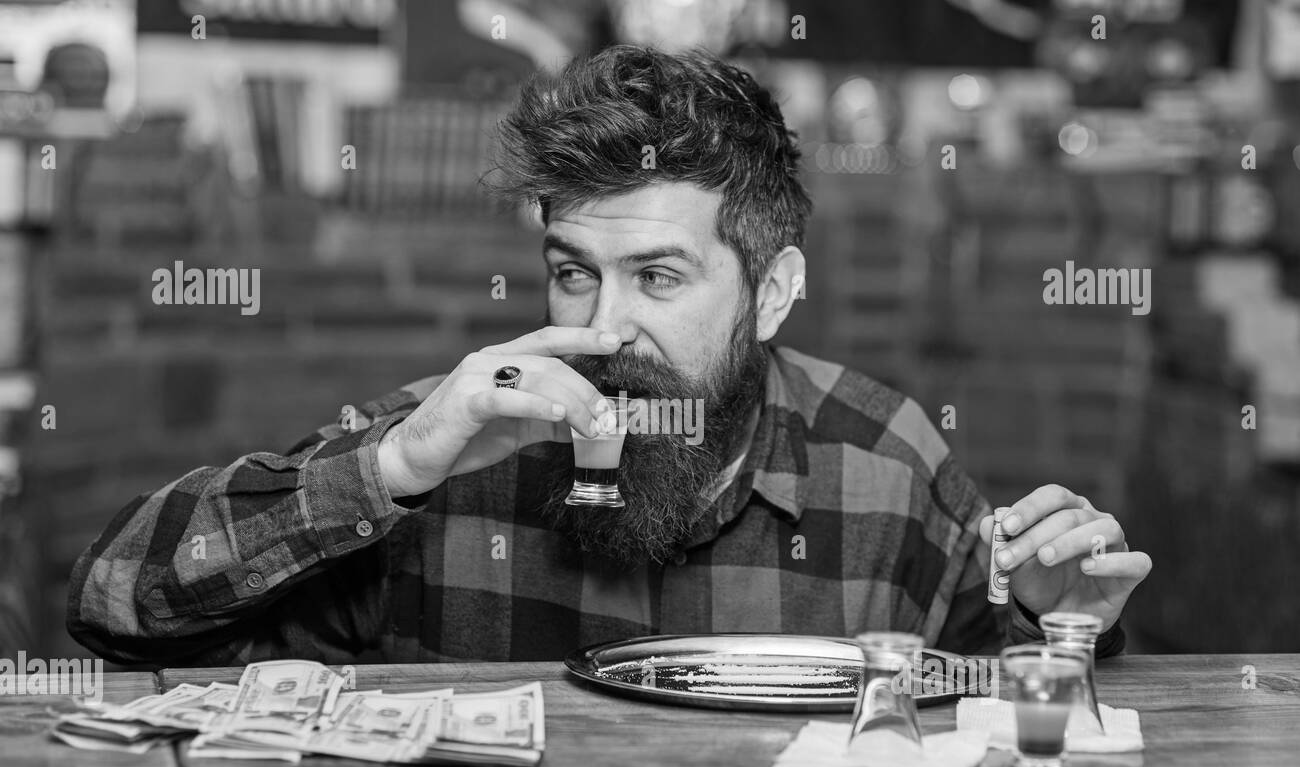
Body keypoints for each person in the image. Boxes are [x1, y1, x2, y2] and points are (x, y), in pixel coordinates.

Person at [68, 46, 1151, 667]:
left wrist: (1056, 625)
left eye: (660, 278)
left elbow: (1015, 748)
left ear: (772, 292)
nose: (605, 327)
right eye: (573, 270)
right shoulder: (455, 443)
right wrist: (388, 468)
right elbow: (113, 601)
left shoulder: (886, 461)